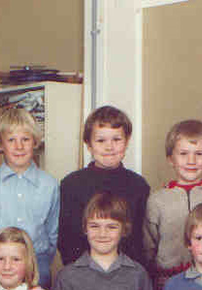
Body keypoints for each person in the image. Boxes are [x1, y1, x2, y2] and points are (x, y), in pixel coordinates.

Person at [143, 119, 202, 290]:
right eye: (183, 153)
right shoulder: (157, 200)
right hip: (168, 282)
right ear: (171, 158)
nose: (191, 160)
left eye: (199, 154)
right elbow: (149, 246)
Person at [58, 106, 149, 266]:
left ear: (127, 141)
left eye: (116, 139)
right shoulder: (71, 185)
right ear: (89, 145)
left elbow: (141, 242)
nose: (109, 147)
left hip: (128, 274)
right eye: (101, 141)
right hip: (82, 273)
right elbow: (67, 240)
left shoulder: (139, 186)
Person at [0, 107, 60, 288]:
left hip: (37, 264)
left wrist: (41, 260)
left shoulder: (50, 185)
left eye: (25, 139)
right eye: (11, 140)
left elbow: (52, 231)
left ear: (35, 142)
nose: (19, 146)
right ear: (1, 144)